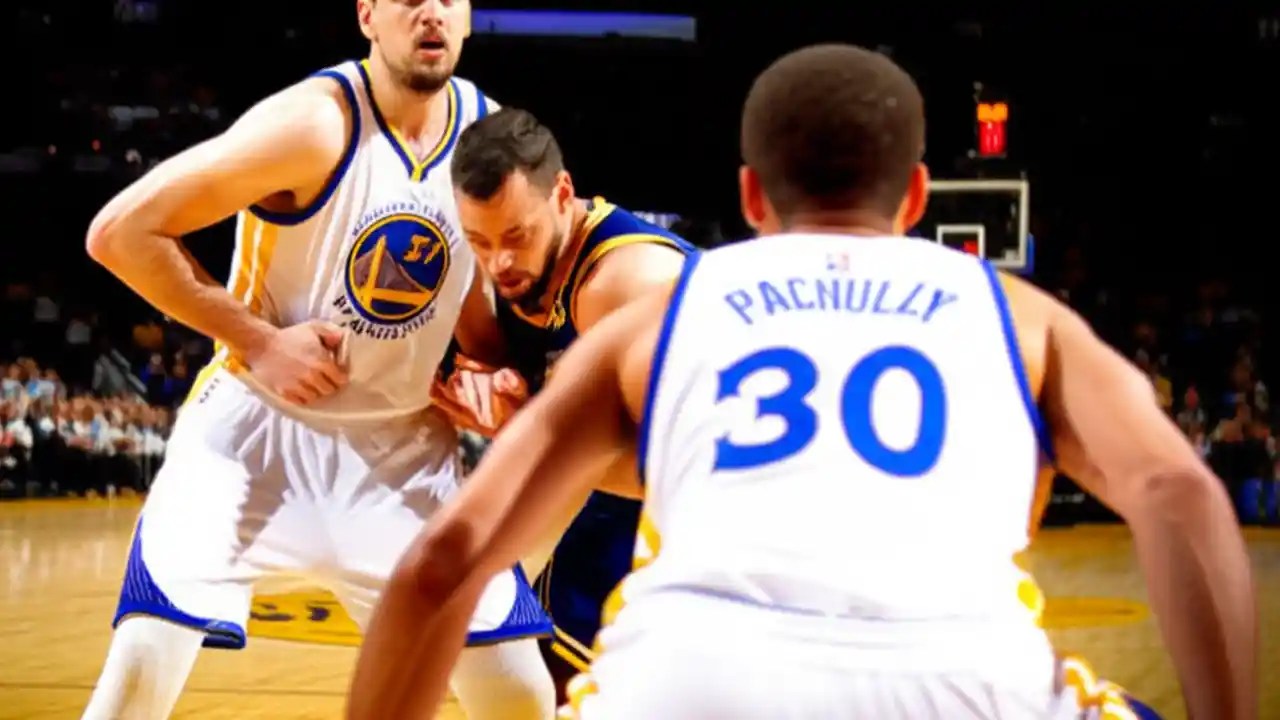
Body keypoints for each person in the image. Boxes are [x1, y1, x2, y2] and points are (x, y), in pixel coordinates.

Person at [344, 44, 1257, 720]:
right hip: (955, 681)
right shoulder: (1016, 316)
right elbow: (1181, 493)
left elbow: (441, 568)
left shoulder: (659, 315)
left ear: (749, 199)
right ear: (914, 199)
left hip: (690, 686)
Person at [81, 1, 555, 718]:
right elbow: (119, 233)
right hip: (253, 436)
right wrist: (261, 342)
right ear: (367, 15)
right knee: (141, 669)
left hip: (402, 450)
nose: (430, 12)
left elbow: (464, 287)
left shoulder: (487, 135)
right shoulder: (313, 124)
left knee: (521, 693)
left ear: (465, 20)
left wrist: (492, 376)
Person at [445, 106, 696, 698]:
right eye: (479, 241)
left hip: (707, 494)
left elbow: (669, 470)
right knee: (492, 638)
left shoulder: (620, 284)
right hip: (615, 490)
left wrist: (526, 431)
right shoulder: (530, 264)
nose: (498, 261)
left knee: (544, 663)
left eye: (516, 236)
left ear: (563, 194)